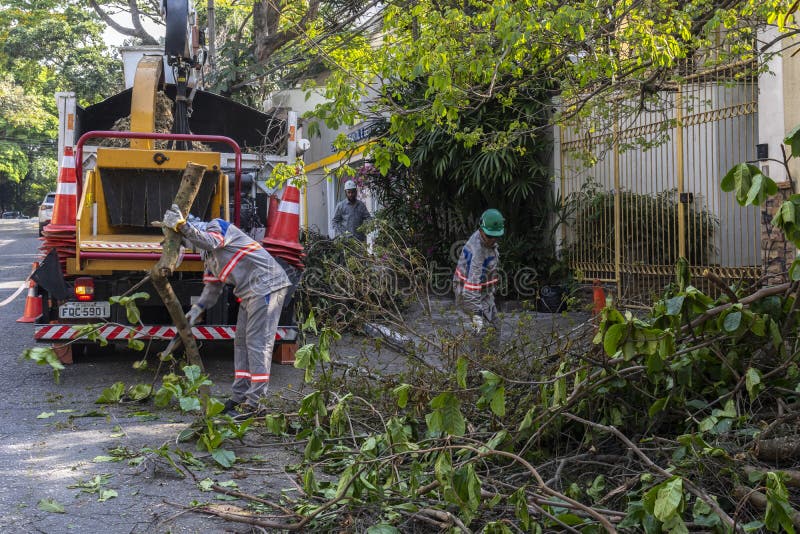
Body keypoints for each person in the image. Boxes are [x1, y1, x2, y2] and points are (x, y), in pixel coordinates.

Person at [162, 204, 291, 419]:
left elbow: (210, 240)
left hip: (267, 285)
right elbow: (212, 290)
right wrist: (195, 311)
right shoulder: (210, 259)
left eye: (186, 240)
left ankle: (257, 404)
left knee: (257, 343)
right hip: (251, 292)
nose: (188, 245)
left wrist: (181, 226)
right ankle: (239, 396)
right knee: (241, 343)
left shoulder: (217, 226)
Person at [453, 208, 504, 336]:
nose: (493, 240)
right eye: (489, 236)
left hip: (483, 291)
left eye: (496, 236)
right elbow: (470, 291)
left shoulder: (485, 241)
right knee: (476, 332)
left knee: (495, 327)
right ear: (481, 231)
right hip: (467, 293)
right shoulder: (478, 252)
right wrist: (477, 313)